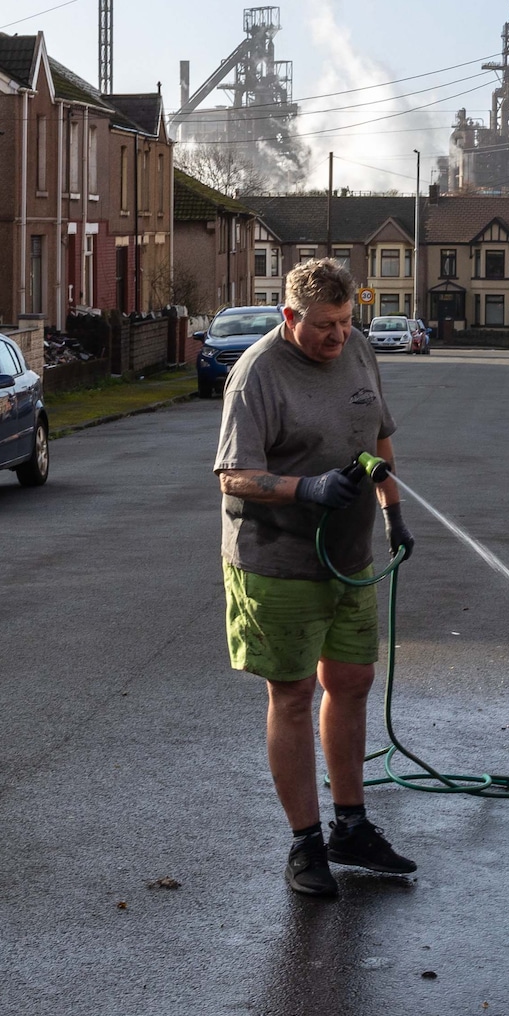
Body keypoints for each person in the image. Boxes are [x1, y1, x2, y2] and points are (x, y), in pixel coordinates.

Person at [215, 258, 419, 898]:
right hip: (278, 563)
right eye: (325, 326)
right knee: (294, 695)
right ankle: (305, 844)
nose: (338, 337)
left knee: (353, 681)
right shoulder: (256, 376)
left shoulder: (358, 351)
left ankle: (350, 825)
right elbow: (234, 476)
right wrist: (308, 487)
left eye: (346, 321)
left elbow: (378, 438)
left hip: (350, 558)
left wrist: (394, 515)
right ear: (289, 316)